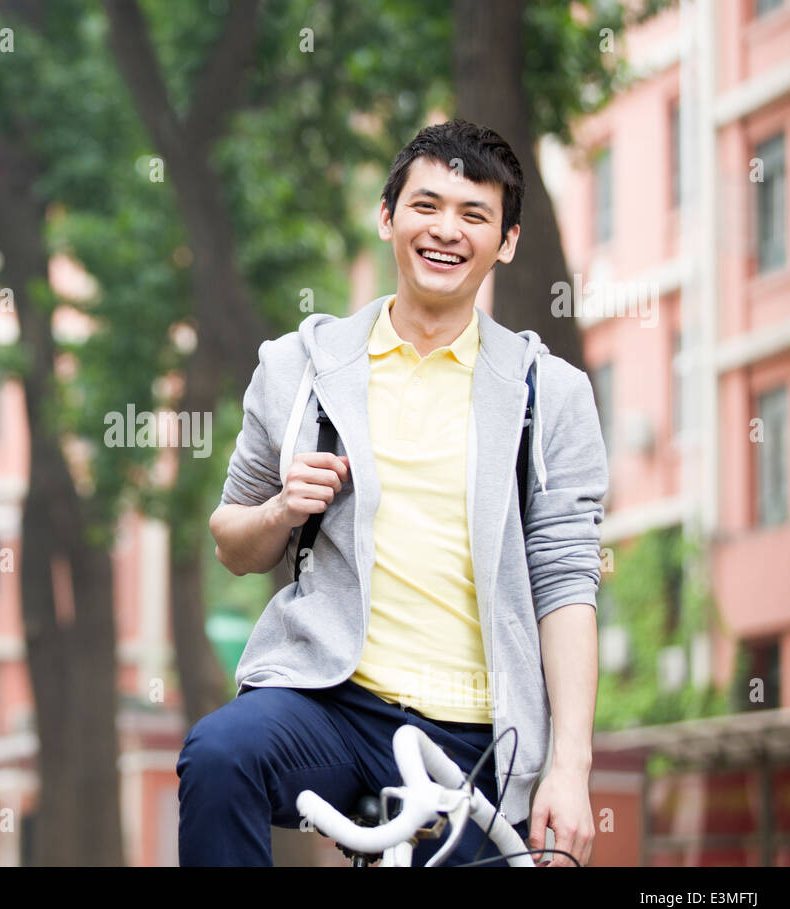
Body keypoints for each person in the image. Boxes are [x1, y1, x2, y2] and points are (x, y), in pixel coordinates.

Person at [178, 118, 608, 867]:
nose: (446, 230)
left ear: (504, 241)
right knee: (221, 755)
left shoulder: (552, 396)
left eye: (475, 215)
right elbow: (232, 541)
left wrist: (570, 768)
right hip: (333, 704)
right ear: (387, 217)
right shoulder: (299, 370)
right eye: (426, 205)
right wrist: (283, 509)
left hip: (481, 738)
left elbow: (566, 583)